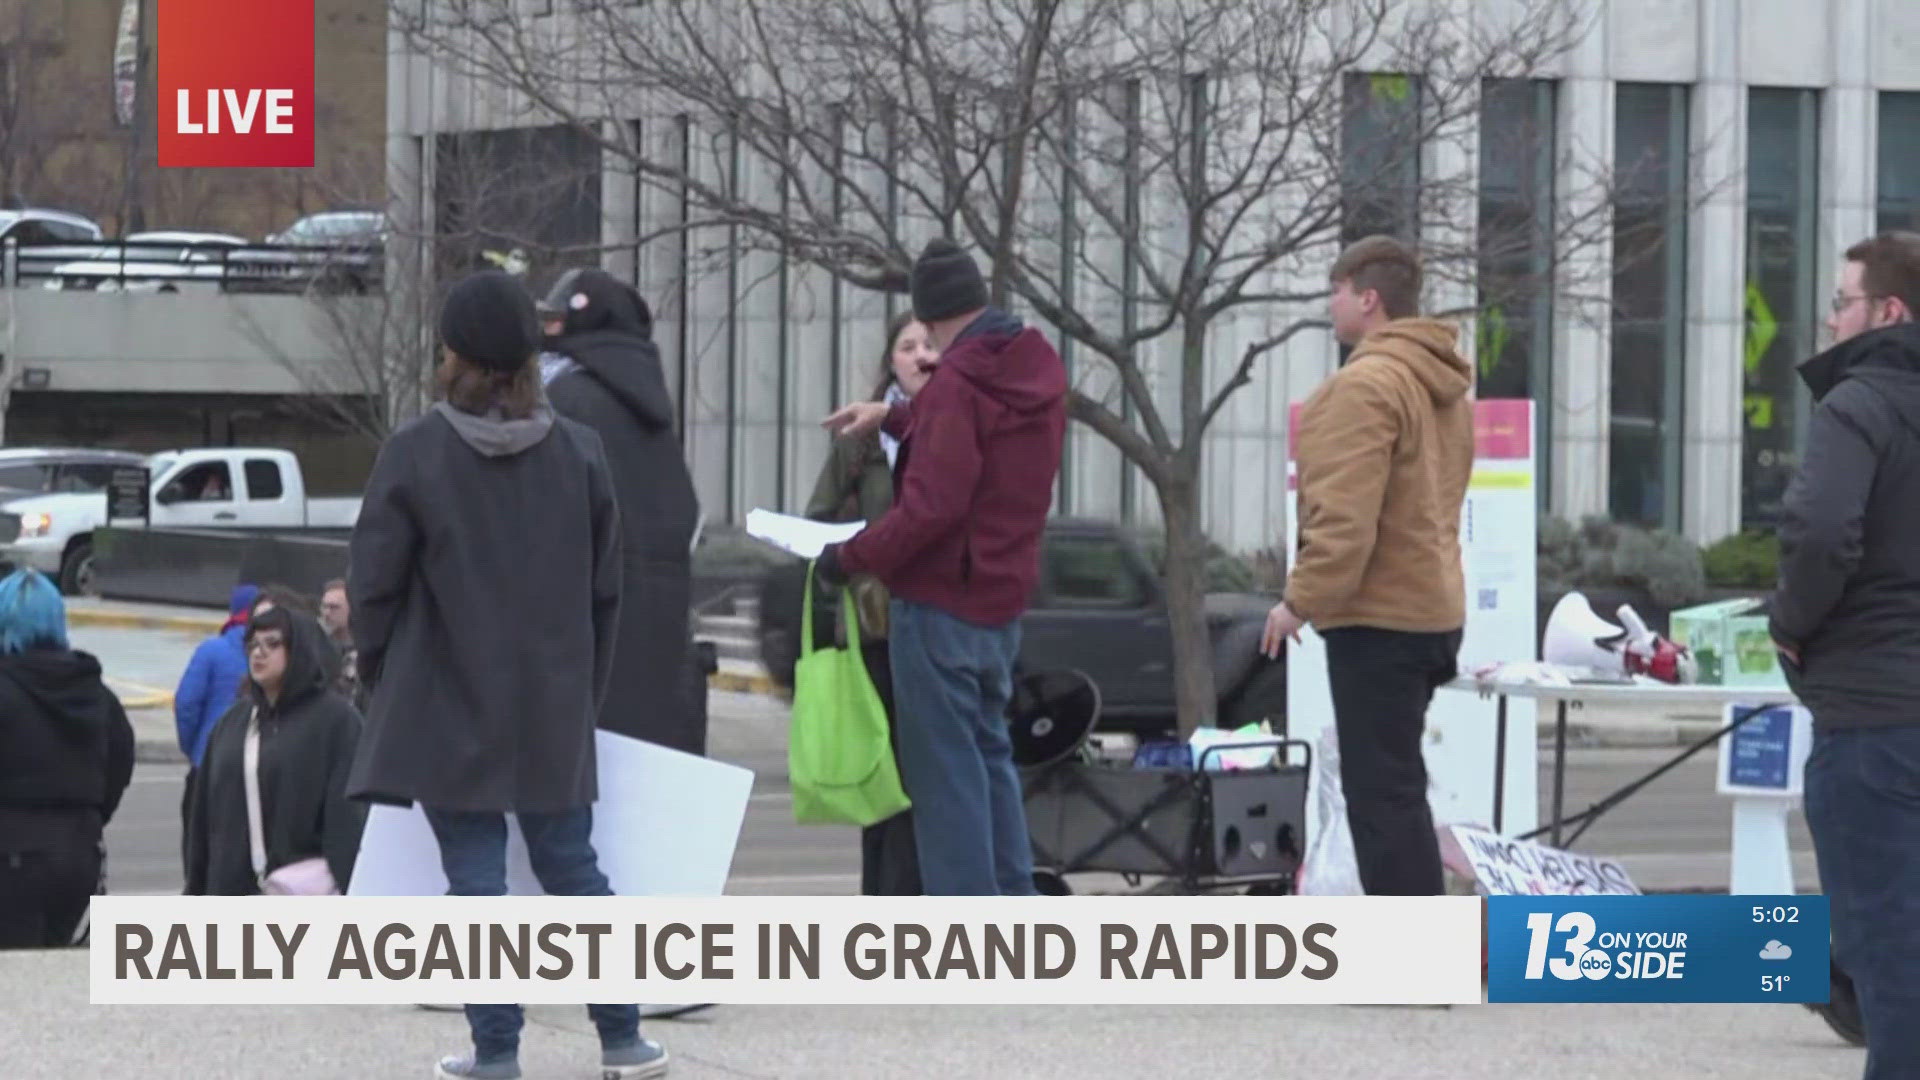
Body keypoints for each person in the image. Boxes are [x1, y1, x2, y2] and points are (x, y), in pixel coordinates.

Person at [343, 269, 663, 1080]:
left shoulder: (414, 454)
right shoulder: (581, 454)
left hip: (448, 702)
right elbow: (607, 593)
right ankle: (622, 1039)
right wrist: (579, 696)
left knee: (476, 883)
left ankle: (497, 1052)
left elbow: (373, 587)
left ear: (453, 357)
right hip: (552, 702)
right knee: (575, 870)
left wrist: (379, 675)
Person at [817, 238, 1067, 897]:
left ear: (926, 317)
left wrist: (848, 558)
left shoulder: (956, 384)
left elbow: (932, 508)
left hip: (938, 606)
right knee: (990, 761)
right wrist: (897, 417)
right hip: (1000, 603)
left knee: (945, 778)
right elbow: (981, 439)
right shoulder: (1027, 363)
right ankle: (1015, 906)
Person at [1260, 234, 1473, 898]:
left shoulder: (1363, 388)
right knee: (1400, 787)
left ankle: (1411, 962)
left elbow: (1343, 521)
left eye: (1337, 291)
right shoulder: (1441, 387)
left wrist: (1298, 600)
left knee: (1382, 797)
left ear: (1368, 298)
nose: (1332, 304)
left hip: (1379, 619)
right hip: (1433, 611)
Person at [1768, 230, 1920, 1080]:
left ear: (1885, 313)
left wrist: (1790, 619)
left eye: (1840, 302)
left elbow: (1822, 531)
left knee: (1891, 956)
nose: (1828, 319)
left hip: (1876, 713)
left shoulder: (1857, 404)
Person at [539, 267, 705, 755]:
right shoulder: (645, 408)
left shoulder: (562, 399)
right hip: (655, 645)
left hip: (578, 645)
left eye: (552, 320)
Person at [805, 311, 939, 896]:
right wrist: (852, 551)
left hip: (938, 625)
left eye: (930, 344)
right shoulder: (861, 441)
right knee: (881, 776)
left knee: (928, 776)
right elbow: (818, 523)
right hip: (871, 631)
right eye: (907, 346)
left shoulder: (956, 429)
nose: (919, 355)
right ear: (891, 360)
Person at [183, 604, 364, 897]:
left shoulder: (336, 721)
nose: (259, 652)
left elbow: (348, 822)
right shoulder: (233, 724)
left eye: (273, 643)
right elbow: (203, 820)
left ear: (299, 650)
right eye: (253, 644)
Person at [0, 569, 133, 949]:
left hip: (10, 854)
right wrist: (90, 814)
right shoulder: (95, 692)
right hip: (78, 853)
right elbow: (120, 761)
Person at [173, 583, 258, 873]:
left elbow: (186, 704)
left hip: (207, 762)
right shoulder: (276, 652)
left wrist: (192, 747)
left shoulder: (212, 650)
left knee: (199, 851)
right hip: (254, 763)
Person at [318, 578, 363, 710]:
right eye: (324, 606)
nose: (326, 613)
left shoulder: (367, 651)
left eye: (334, 607)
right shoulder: (314, 648)